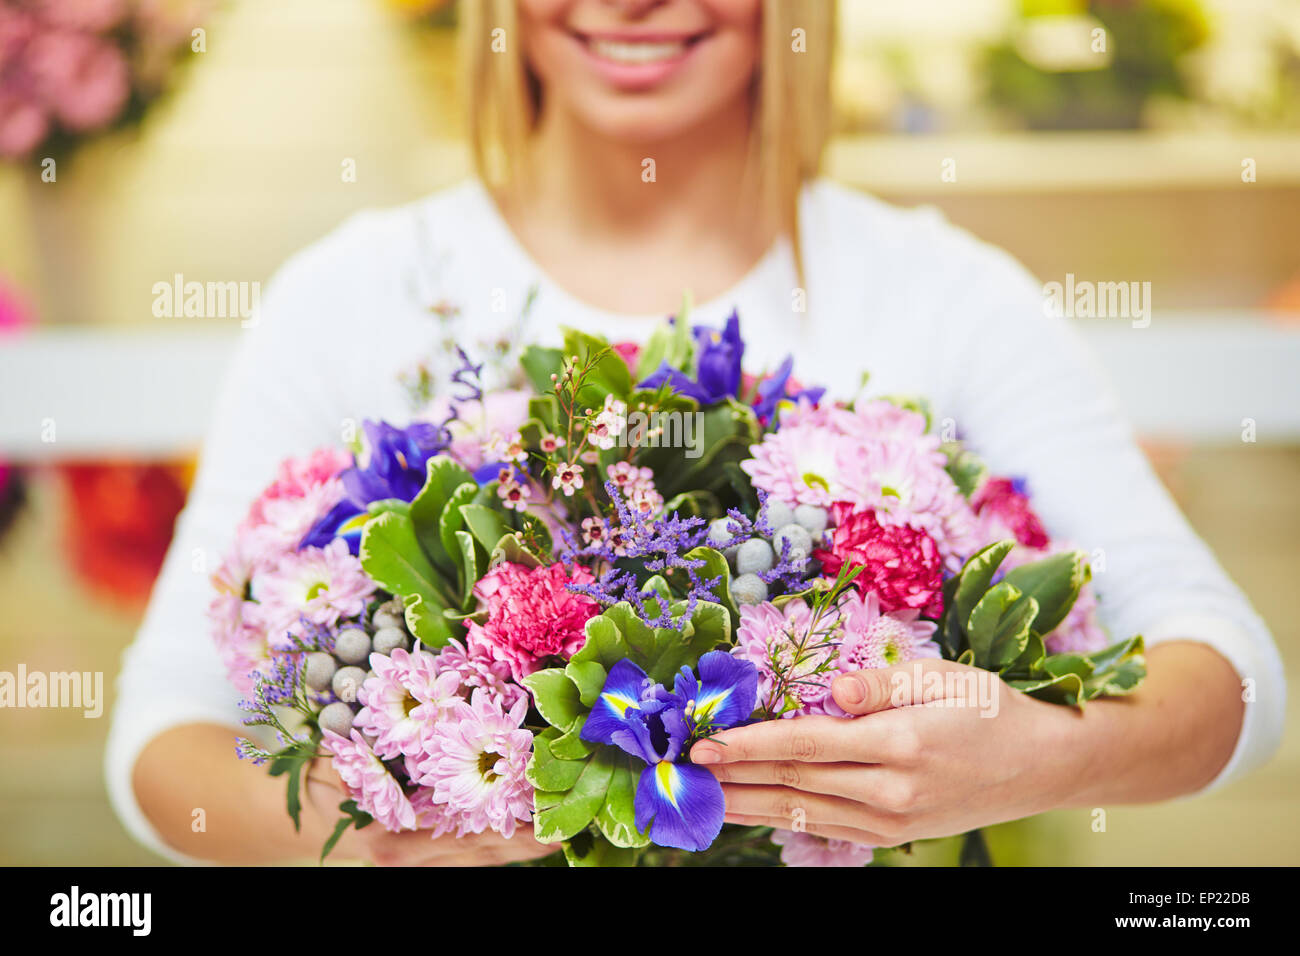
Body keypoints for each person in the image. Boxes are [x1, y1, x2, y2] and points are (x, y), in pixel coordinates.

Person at [107, 0, 1283, 864]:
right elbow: (165, 734)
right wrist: (371, 850)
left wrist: (1043, 752)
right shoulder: (356, 290)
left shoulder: (942, 291)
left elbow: (1230, 675)